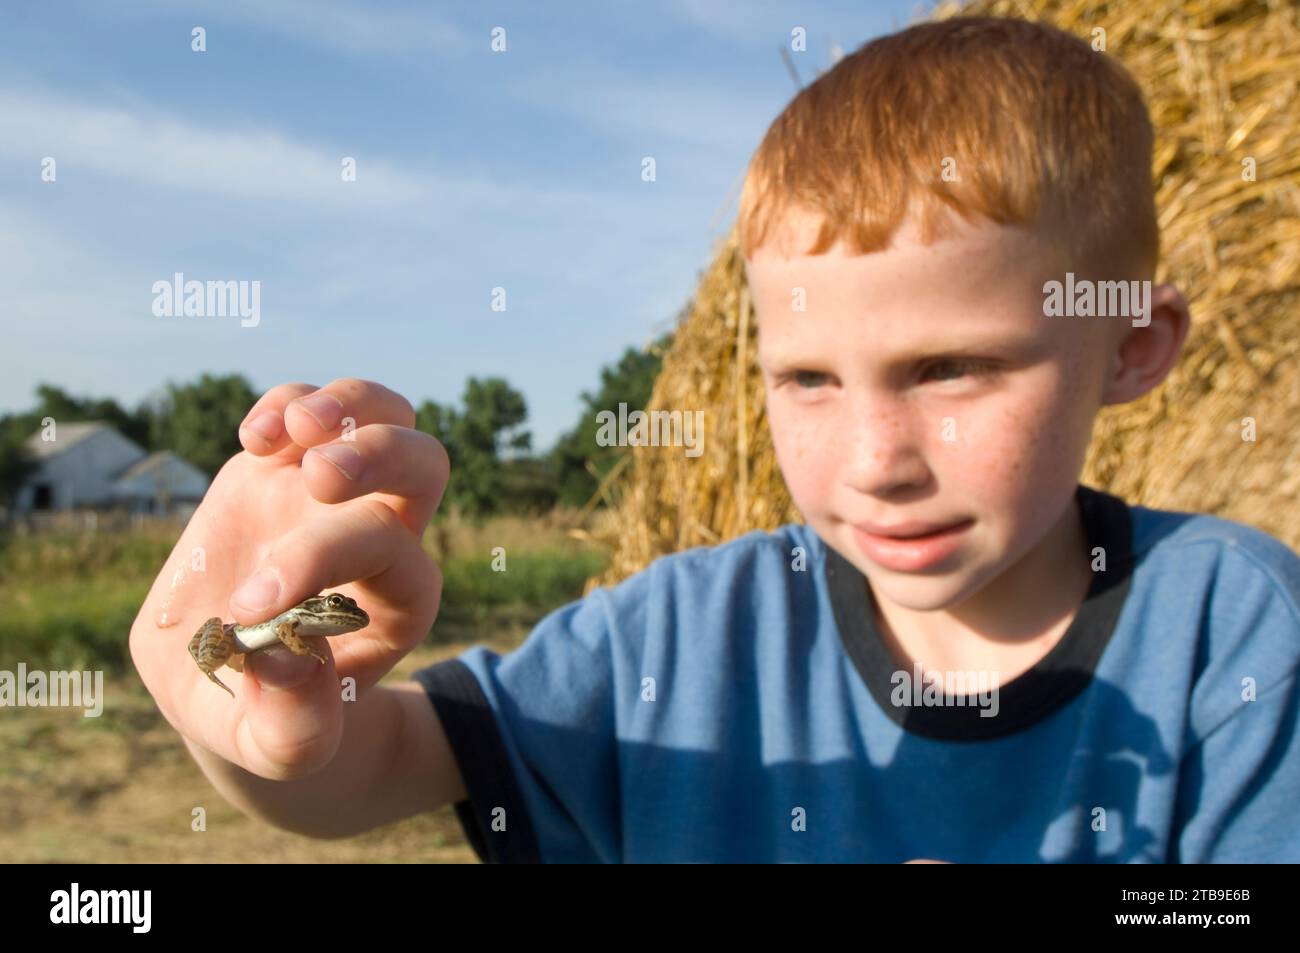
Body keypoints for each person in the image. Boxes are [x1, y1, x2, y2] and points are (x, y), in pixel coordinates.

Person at [130, 15, 1300, 862]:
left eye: (952, 367)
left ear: (1133, 346)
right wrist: (247, 703)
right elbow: (366, 768)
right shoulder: (682, 634)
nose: (874, 457)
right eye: (806, 379)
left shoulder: (1231, 625)